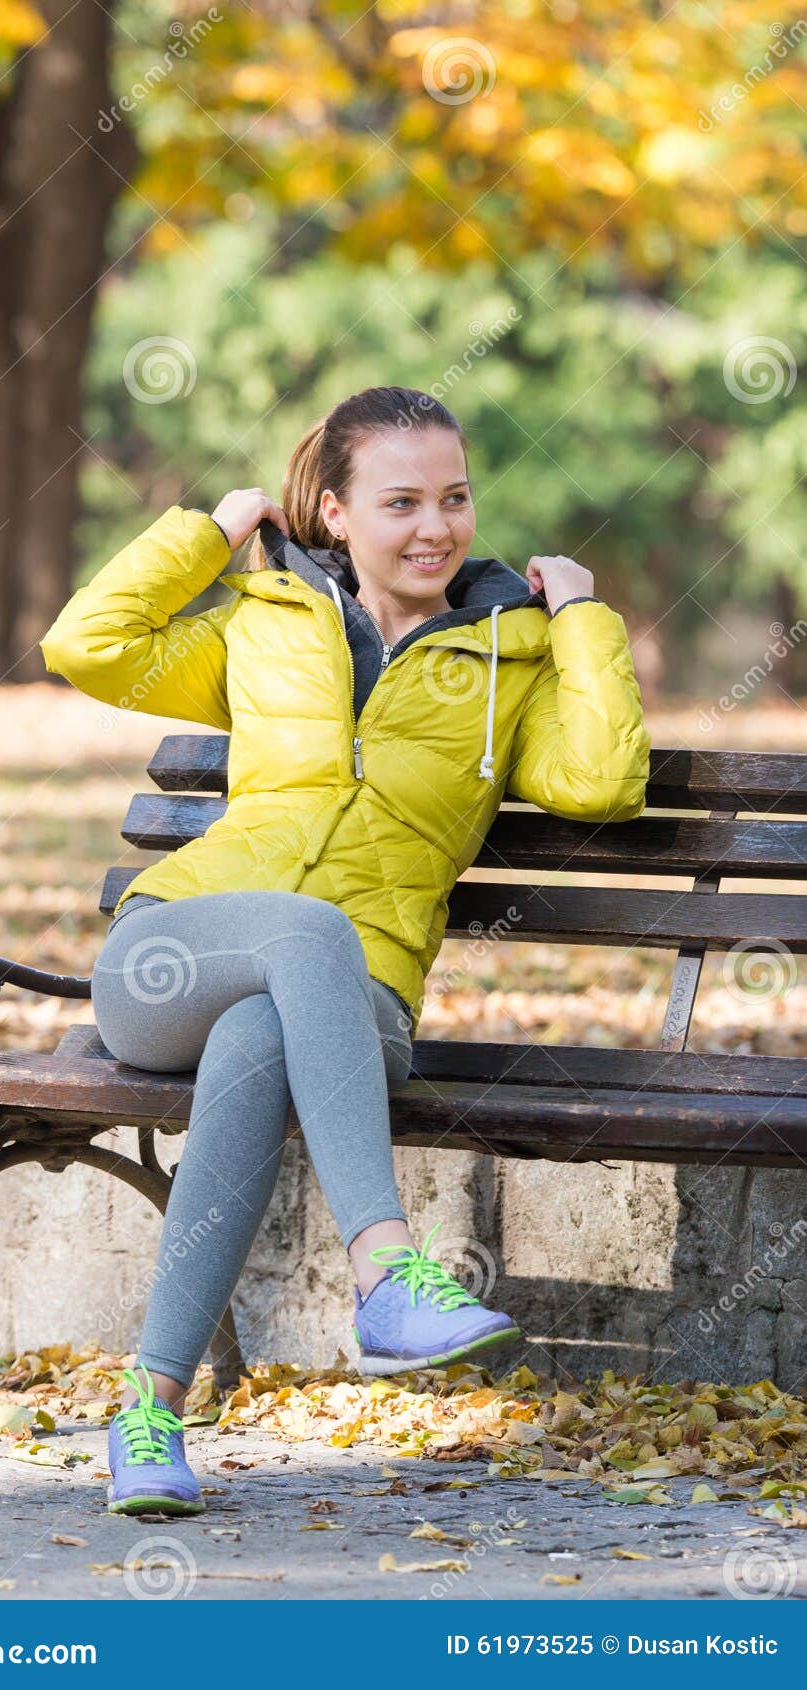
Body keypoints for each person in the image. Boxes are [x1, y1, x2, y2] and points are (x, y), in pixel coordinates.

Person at [39, 385, 651, 1517]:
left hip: (354, 1003)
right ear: (334, 510)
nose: (436, 527)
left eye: (455, 498)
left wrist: (579, 617)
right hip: (174, 957)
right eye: (401, 501)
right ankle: (386, 1274)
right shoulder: (262, 620)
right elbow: (87, 644)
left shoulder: (509, 662)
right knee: (300, 935)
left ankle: (148, 1416)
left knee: (263, 1032)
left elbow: (604, 781)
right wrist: (210, 532)